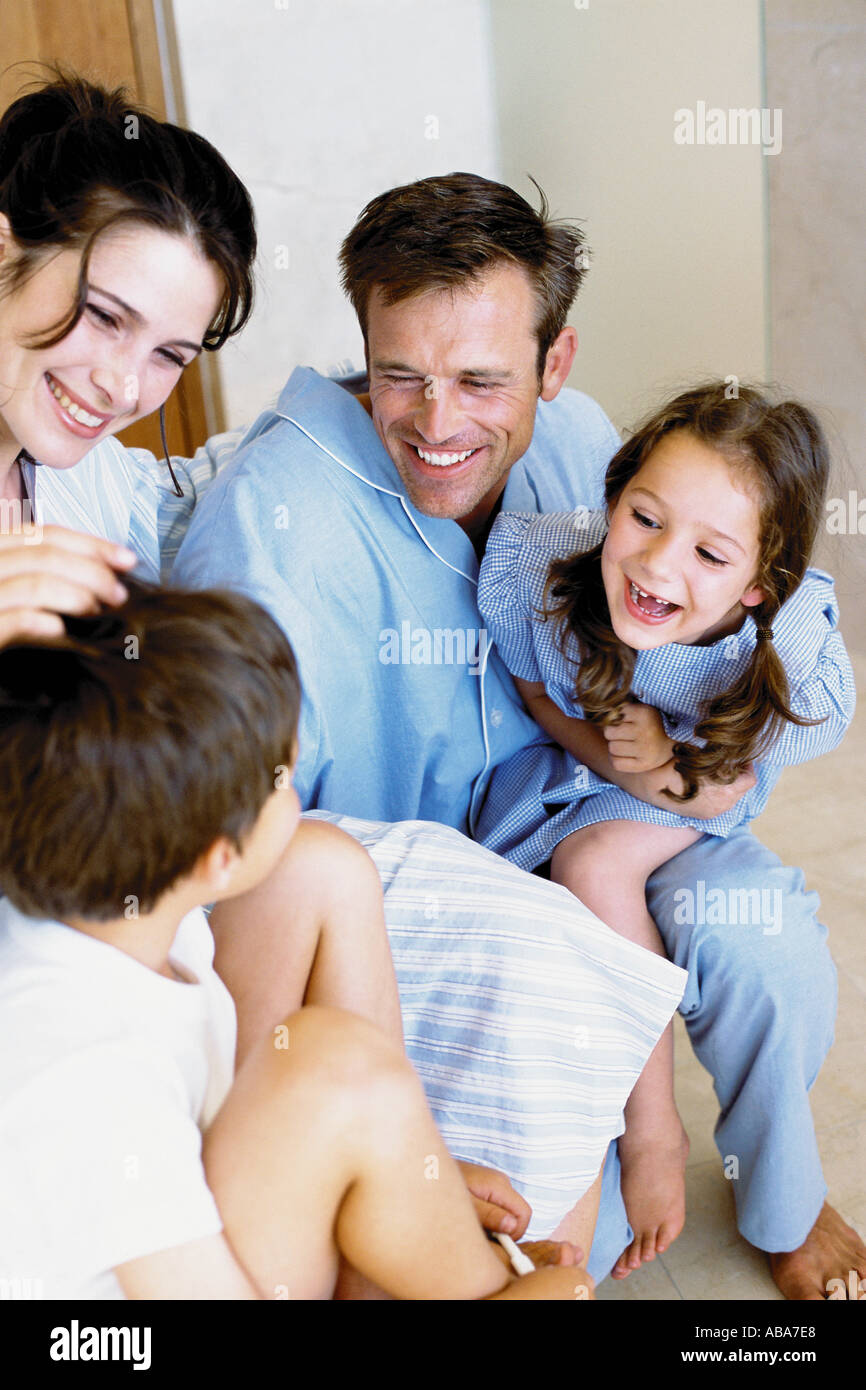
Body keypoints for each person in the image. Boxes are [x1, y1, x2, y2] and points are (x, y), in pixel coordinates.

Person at [0, 77, 686, 1280]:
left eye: (168, 350)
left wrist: (307, 441)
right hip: (54, 967)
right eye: (103, 318)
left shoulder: (90, 473)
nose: (119, 383)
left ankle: (408, 1178)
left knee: (325, 872)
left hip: (134, 934)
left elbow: (179, 494)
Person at [174, 171, 866, 1298]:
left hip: (617, 810)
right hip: (437, 913)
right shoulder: (272, 532)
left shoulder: (593, 454)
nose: (438, 423)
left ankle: (782, 1197)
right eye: (400, 374)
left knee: (766, 948)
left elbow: (747, 639)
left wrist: (694, 786)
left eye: (483, 380)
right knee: (555, 1242)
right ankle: (611, 1130)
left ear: (554, 366)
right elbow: (253, 883)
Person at [0, 578, 595, 1300]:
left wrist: (406, 1171)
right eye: (283, 776)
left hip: (198, 1208)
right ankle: (481, 1283)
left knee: (319, 866)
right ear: (217, 856)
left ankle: (413, 1195)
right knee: (328, 1061)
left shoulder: (122, 900)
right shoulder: (85, 1076)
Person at [476, 381, 856, 1273]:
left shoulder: (780, 655)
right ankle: (615, 1135)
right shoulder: (544, 577)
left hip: (697, 785)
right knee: (583, 851)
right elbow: (536, 692)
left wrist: (667, 772)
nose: (657, 567)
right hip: (589, 774)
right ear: (614, 499)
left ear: (760, 585)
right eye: (645, 519)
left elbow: (726, 791)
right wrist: (621, 761)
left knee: (604, 862)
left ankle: (659, 1130)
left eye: (710, 554)